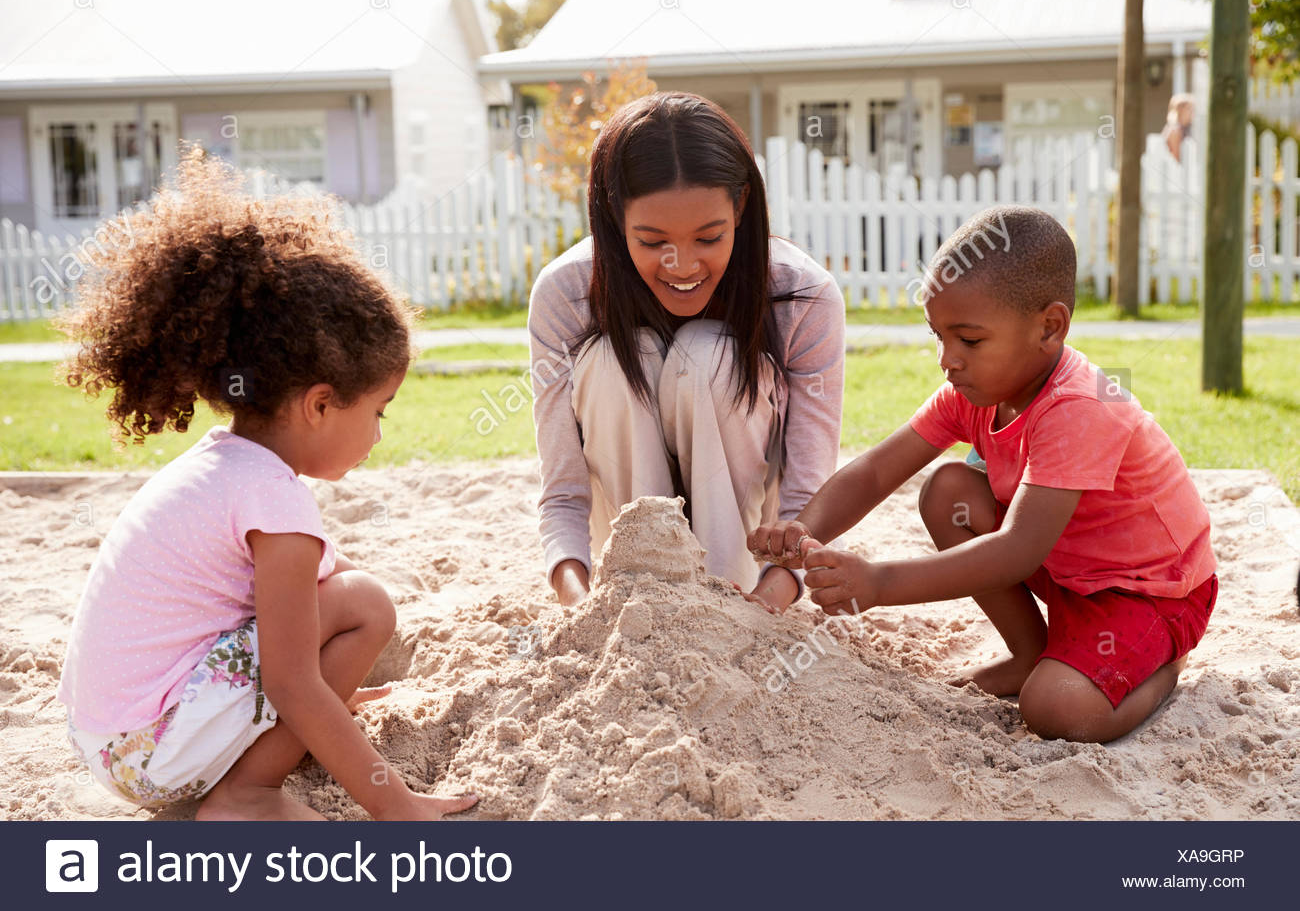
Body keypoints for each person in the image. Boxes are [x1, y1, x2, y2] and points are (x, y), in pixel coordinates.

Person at [55, 151, 478, 821]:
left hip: (104, 737)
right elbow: (291, 678)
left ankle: (253, 749)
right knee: (366, 603)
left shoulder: (223, 464)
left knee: (331, 606)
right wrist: (396, 804)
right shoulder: (276, 502)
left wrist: (324, 695)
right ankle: (246, 791)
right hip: (153, 750)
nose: (378, 435)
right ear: (318, 405)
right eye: (379, 409)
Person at [749, 205, 1217, 744]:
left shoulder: (1080, 406)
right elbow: (877, 471)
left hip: (1151, 592)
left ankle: (1163, 670)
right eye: (938, 337)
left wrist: (878, 583)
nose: (948, 360)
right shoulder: (976, 393)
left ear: (1049, 327)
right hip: (1071, 570)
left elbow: (1019, 549)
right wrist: (802, 530)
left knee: (1054, 709)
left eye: (969, 340)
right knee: (949, 489)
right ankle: (1029, 651)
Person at [528, 92, 845, 614]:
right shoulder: (567, 292)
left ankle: (721, 589)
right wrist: (583, 608)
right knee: (614, 359)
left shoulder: (802, 295)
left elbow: (807, 501)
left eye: (709, 237)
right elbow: (562, 492)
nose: (682, 265)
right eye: (652, 242)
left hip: (747, 554)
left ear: (740, 206)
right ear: (613, 214)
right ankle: (645, 584)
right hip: (623, 578)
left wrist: (761, 609)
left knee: (708, 354)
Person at [1162, 93, 1195, 163]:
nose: (1193, 113)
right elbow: (1176, 159)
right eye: (1189, 109)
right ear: (1180, 110)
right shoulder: (1175, 131)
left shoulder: (1183, 129)